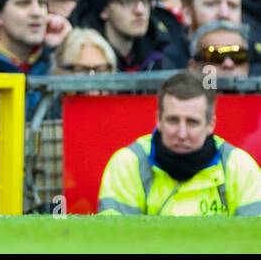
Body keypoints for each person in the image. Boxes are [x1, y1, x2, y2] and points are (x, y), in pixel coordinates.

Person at [98, 71, 261, 216]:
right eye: (173, 120)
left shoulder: (240, 166)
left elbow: (253, 242)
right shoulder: (127, 163)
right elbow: (116, 241)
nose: (182, 134)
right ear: (158, 120)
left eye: (192, 122)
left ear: (211, 124)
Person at [73, 0, 186, 71]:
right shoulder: (84, 59)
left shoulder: (163, 53)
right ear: (104, 10)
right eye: (128, 0)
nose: (140, 10)